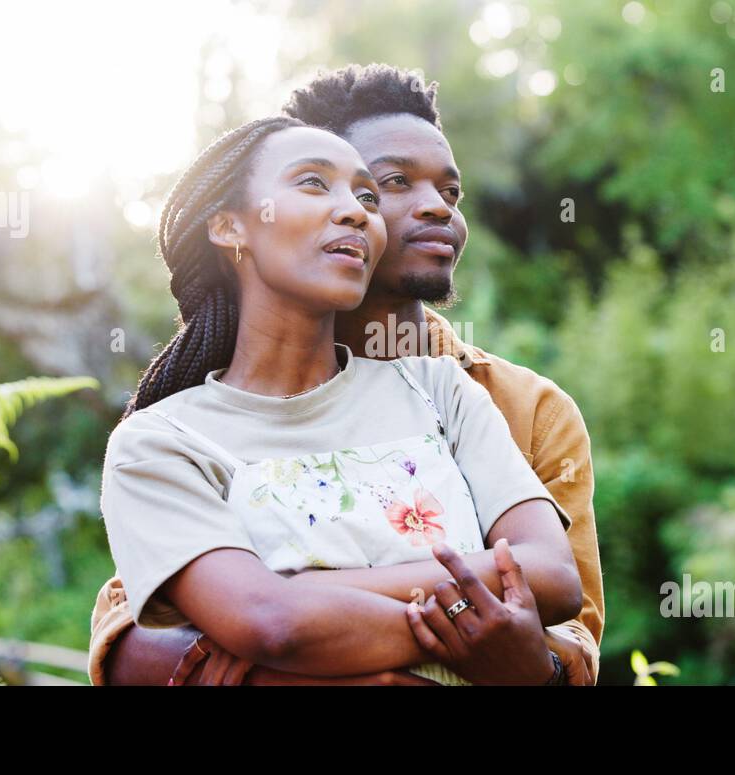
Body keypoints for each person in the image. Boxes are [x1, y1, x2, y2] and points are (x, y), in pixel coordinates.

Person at [91, 64, 604, 686]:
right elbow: (142, 634)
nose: (436, 208)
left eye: (450, 192)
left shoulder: (490, 401)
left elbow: (560, 622)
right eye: (394, 182)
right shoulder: (177, 429)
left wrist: (306, 604)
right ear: (237, 222)